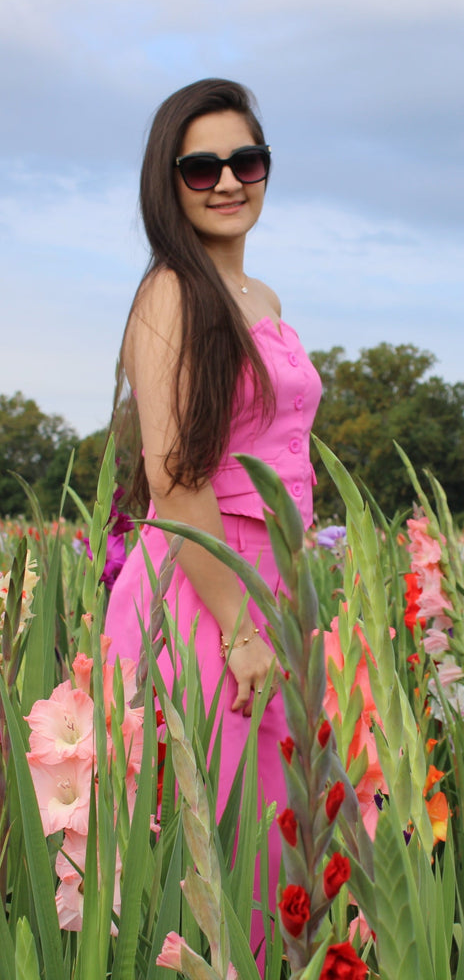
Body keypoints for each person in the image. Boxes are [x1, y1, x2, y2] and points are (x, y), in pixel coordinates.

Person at [103, 78, 321, 956]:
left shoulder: (263, 298)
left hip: (278, 587)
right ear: (170, 179)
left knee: (283, 840)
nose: (229, 181)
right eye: (203, 166)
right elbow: (176, 475)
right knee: (212, 837)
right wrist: (237, 625)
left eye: (247, 160)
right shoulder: (170, 294)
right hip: (208, 586)